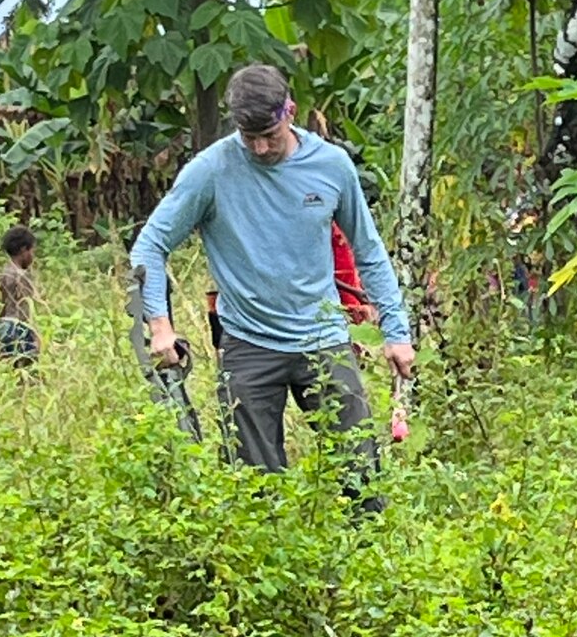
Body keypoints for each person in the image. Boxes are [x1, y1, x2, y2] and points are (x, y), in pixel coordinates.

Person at [129, 64, 414, 511]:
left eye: (269, 135)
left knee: (362, 479)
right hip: (249, 344)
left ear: (290, 112)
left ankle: (367, 551)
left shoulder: (331, 166)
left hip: (324, 340)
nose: (260, 148)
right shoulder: (211, 171)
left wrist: (396, 332)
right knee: (254, 491)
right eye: (249, 137)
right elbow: (150, 245)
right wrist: (160, 326)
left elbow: (368, 250)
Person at [0, 224, 40, 370]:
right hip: (20, 328)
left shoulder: (5, 272)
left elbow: (4, 305)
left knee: (12, 370)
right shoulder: (22, 276)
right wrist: (34, 335)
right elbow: (24, 308)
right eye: (32, 251)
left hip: (6, 325)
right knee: (28, 371)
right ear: (23, 250)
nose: (33, 256)